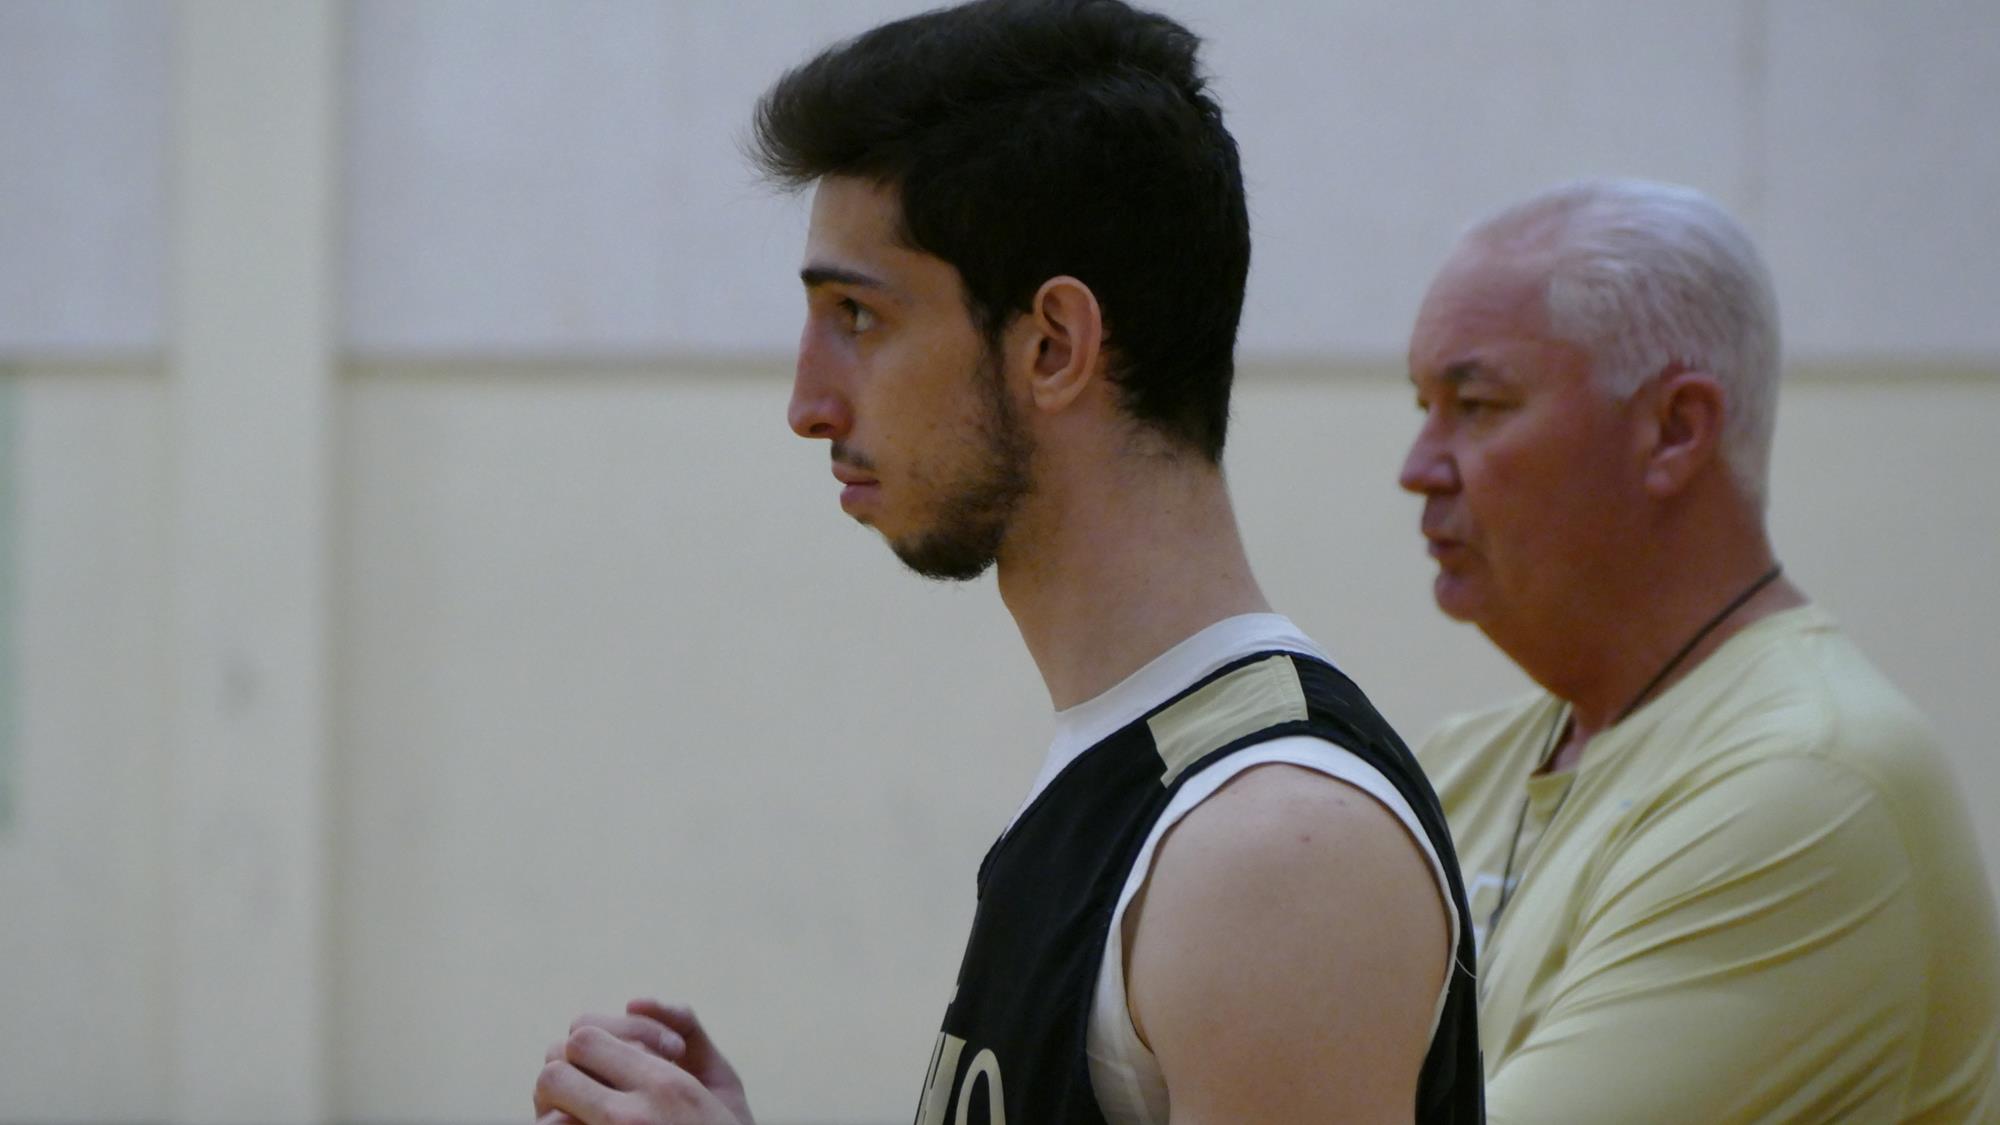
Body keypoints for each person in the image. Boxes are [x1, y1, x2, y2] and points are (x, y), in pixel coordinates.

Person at [533, 1, 1485, 1122]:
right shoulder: (1128, 771)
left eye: (857, 316)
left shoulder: (1273, 850)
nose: (806, 404)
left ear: (1051, 346)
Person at [1400, 177, 2000, 1123]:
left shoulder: (1811, 781)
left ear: (1675, 429)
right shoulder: (1454, 767)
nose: (1418, 467)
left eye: (1475, 404)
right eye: (1423, 404)